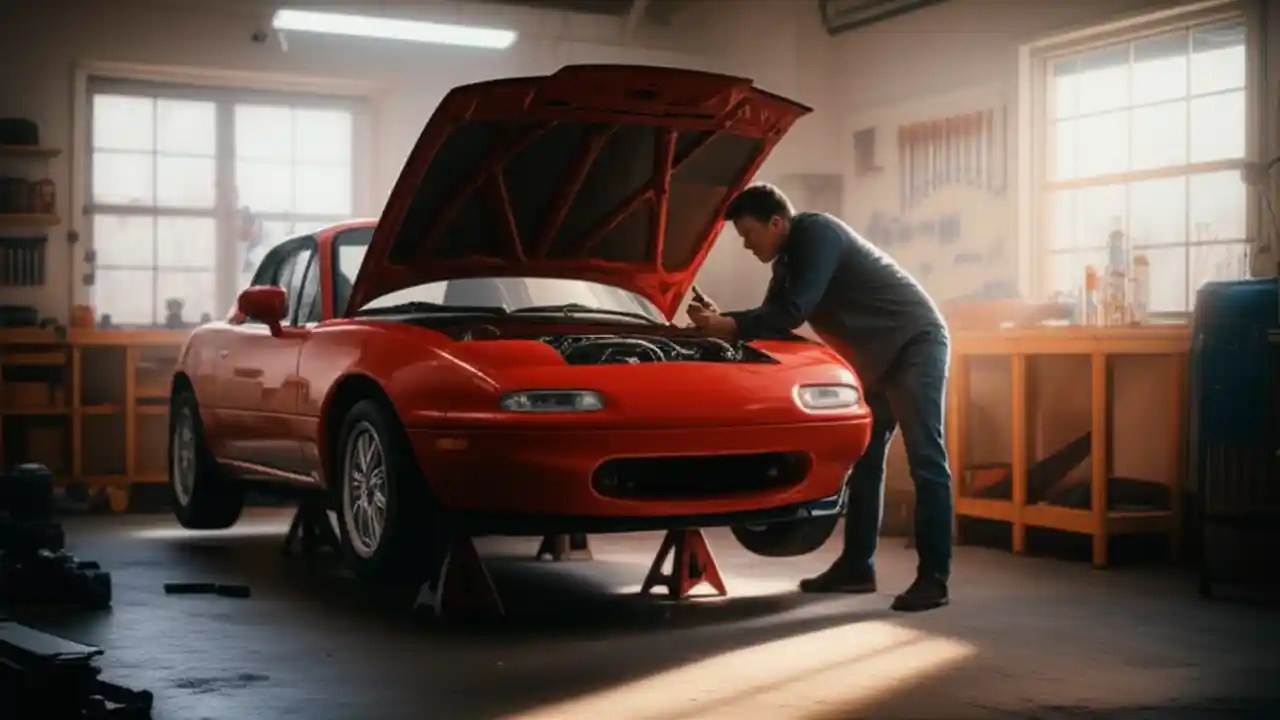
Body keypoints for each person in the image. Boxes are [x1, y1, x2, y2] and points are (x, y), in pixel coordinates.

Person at [688, 183, 953, 612]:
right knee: (864, 462)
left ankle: (934, 579)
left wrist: (728, 324)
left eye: (749, 234)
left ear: (777, 223)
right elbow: (773, 323)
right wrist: (723, 320)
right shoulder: (788, 260)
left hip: (913, 343)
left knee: (926, 458)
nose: (747, 245)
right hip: (874, 356)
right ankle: (856, 568)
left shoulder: (817, 234)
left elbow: (792, 311)